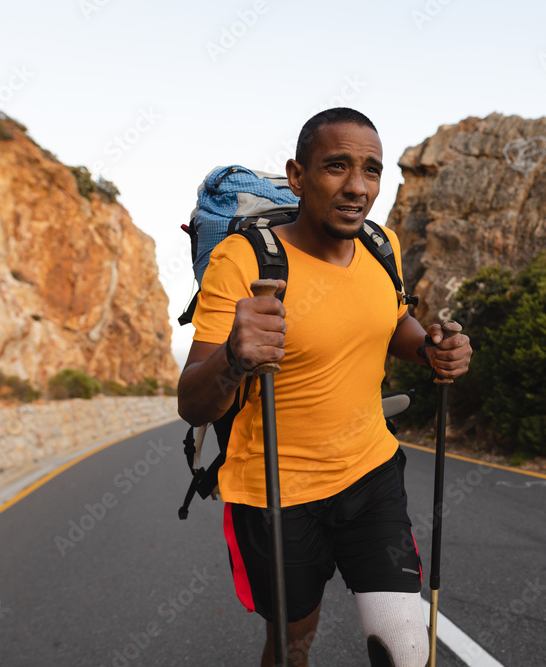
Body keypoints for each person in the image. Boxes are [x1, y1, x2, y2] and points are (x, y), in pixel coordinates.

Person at [177, 107, 472, 667]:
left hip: (371, 473)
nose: (357, 187)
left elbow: (392, 321)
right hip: (274, 493)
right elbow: (191, 402)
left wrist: (429, 348)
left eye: (371, 170)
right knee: (293, 644)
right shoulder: (243, 261)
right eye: (336, 166)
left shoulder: (382, 246)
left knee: (408, 649)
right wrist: (236, 358)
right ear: (297, 175)